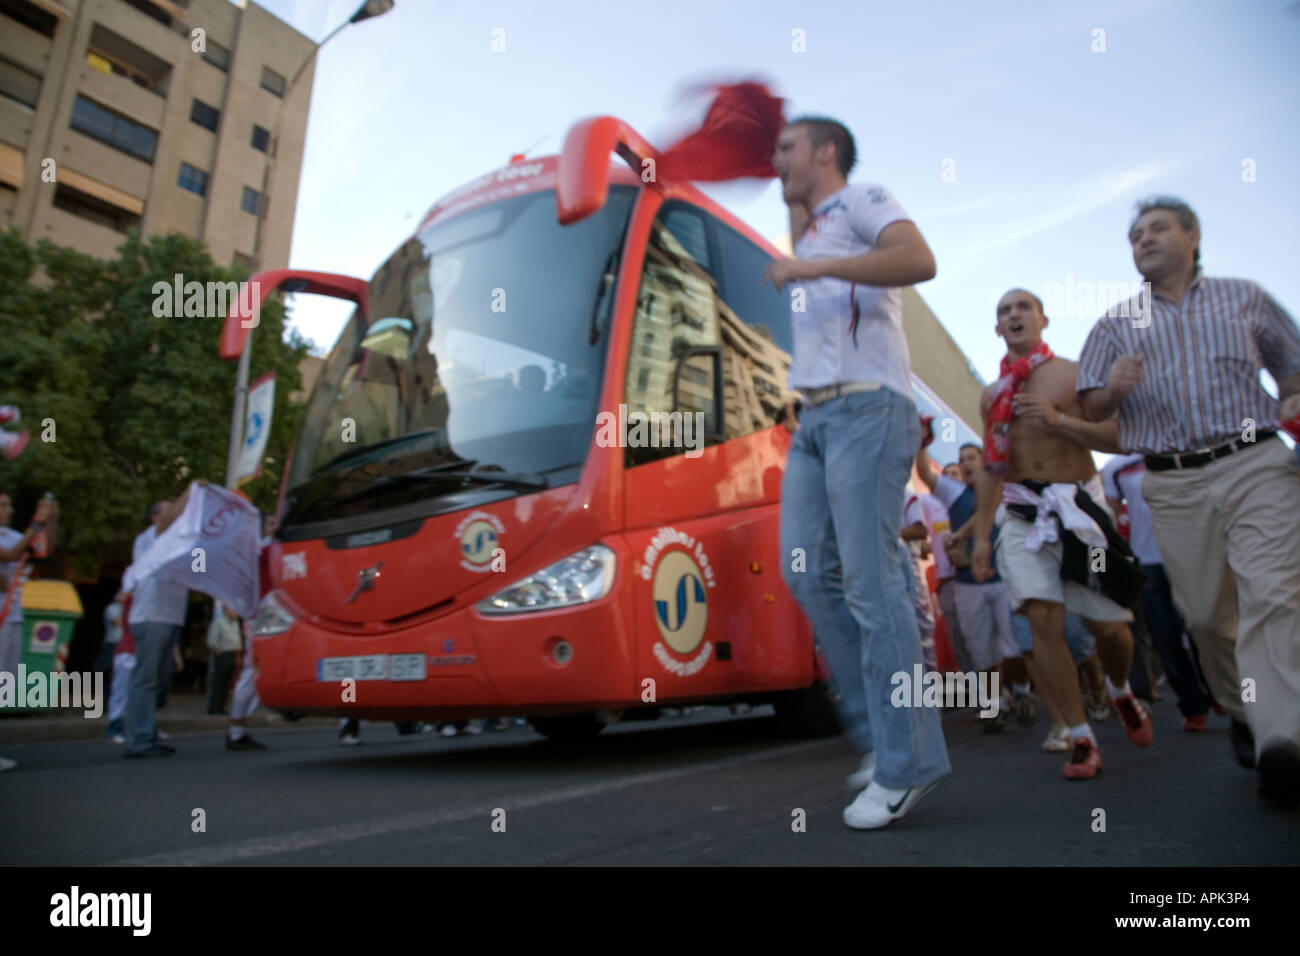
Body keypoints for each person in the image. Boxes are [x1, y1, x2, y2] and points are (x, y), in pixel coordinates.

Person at [1077, 196, 1300, 806]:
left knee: (1274, 595)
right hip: (1174, 483)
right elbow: (1090, 404)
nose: (1144, 240)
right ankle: (1247, 712)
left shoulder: (1245, 299)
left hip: (1256, 463)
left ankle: (1283, 740)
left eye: (1157, 229)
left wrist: (1291, 399)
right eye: (1136, 235)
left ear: (1192, 235)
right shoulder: (1115, 324)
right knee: (1204, 617)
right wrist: (1111, 391)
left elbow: (1293, 370)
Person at [765, 114, 948, 828]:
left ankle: (909, 763)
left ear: (827, 152)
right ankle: (882, 739)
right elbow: (793, 207)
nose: (777, 159)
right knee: (808, 573)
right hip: (815, 421)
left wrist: (814, 269)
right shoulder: (811, 227)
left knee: (873, 588)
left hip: (870, 409)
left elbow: (918, 259)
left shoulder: (862, 200)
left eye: (788, 147)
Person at [971, 288, 1152, 781]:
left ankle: (1119, 689)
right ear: (997, 328)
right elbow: (990, 466)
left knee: (1110, 626)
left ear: (1043, 320)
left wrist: (1057, 420)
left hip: (1078, 514)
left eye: (1022, 307)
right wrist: (982, 536)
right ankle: (1079, 735)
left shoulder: (1073, 374)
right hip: (1021, 516)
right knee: (1041, 618)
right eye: (1004, 310)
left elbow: (1119, 436)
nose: (1013, 315)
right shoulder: (992, 395)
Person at [915, 443, 1030, 730]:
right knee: (981, 652)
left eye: (971, 458)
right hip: (968, 583)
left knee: (1013, 646)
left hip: (1003, 579)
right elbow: (926, 473)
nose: (966, 464)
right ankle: (997, 704)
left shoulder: (1002, 487)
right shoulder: (954, 493)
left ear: (983, 461)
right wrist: (922, 442)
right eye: (962, 459)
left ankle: (1022, 692)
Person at [1101, 452, 1212, 731]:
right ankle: (1192, 705)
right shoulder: (1115, 468)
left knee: (1203, 625)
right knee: (1165, 636)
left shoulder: (1183, 450)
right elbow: (1109, 519)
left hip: (1188, 554)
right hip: (1146, 560)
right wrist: (1109, 563)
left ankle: (1217, 687)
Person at [122, 492, 196, 758]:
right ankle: (138, 739)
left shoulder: (181, 543)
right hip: (151, 617)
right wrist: (190, 495)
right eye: (169, 510)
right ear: (155, 518)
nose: (178, 514)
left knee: (158, 684)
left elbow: (198, 570)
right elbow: (168, 523)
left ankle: (147, 733)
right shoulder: (149, 537)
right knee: (146, 681)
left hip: (170, 617)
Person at [0, 490, 57, 772]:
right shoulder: (13, 540)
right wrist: (36, 522)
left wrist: (51, 520)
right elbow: (10, 554)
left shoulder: (12, 535)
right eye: (3, 505)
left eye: (9, 504)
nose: (9, 509)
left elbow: (43, 550)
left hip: (12, 616)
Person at [206, 600, 241, 715]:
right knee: (218, 683)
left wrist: (238, 655)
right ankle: (213, 707)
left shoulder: (235, 623)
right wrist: (218, 652)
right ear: (226, 610)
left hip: (232, 654)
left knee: (227, 683)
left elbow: (237, 640)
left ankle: (222, 707)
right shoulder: (219, 622)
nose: (236, 613)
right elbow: (212, 640)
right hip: (222, 654)